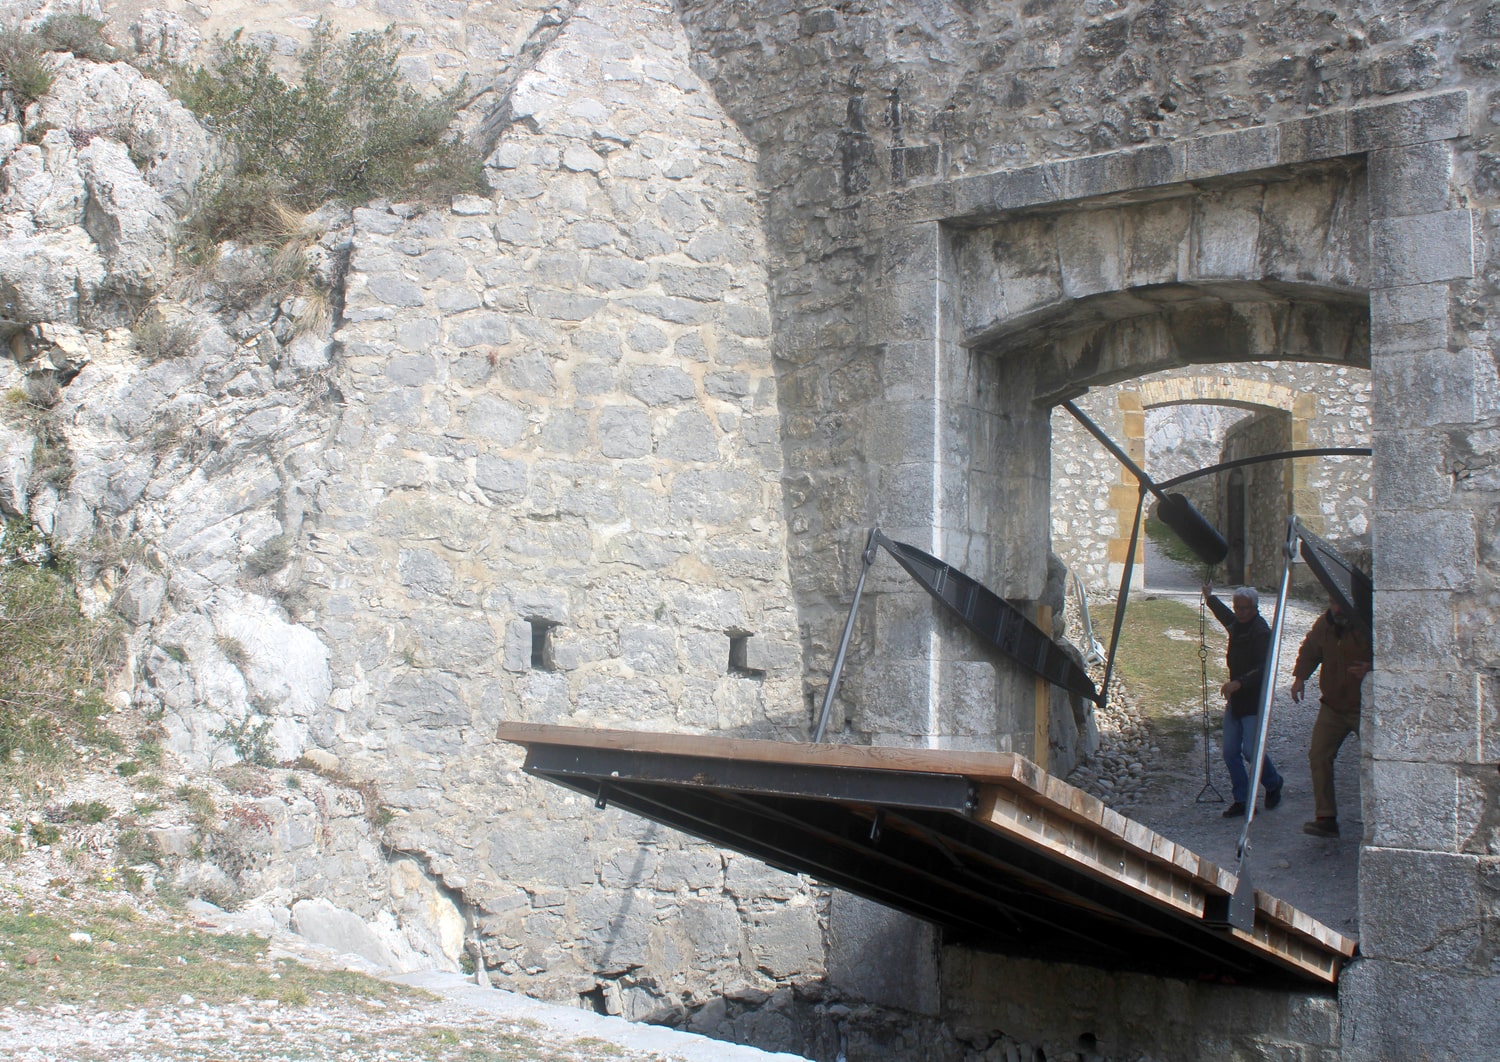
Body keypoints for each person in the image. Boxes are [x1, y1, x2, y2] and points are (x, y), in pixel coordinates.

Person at [1290, 596, 1372, 838]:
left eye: (1340, 603)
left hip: (1364, 708)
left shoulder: (1368, 624)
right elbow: (1310, 649)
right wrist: (1300, 678)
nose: (1336, 608)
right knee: (1319, 755)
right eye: (1332, 602)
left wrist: (1372, 668)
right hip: (1333, 707)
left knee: (1376, 761)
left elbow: (1393, 654)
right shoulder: (1325, 624)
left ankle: (1385, 820)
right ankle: (1325, 817)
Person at [1203, 584, 1284, 818]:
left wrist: (1239, 682)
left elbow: (1263, 667)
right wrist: (1210, 597)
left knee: (1250, 751)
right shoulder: (1237, 625)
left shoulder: (1261, 632)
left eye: (1245, 608)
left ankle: (1273, 782)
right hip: (1236, 700)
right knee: (1229, 752)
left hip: (1254, 700)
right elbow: (1225, 615)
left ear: (1255, 608)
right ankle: (1243, 800)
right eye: (1237, 607)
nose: (1240, 612)